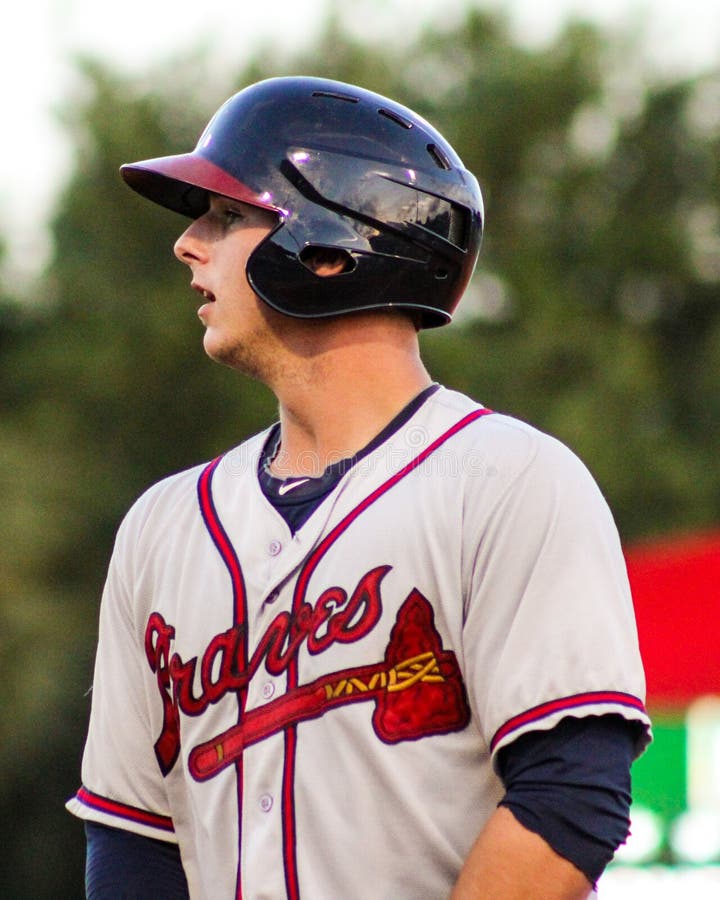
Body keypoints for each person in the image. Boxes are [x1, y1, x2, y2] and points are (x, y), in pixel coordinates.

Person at [67, 76, 651, 899]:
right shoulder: (162, 527)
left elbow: (571, 795)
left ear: (330, 249)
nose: (187, 244)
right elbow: (134, 842)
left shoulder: (509, 480)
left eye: (228, 215)